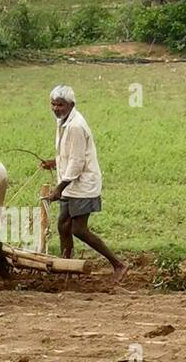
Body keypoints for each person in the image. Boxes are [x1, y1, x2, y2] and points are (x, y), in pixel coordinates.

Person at [40, 84, 126, 281]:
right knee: (63, 225)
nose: (55, 108)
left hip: (82, 184)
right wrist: (54, 163)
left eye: (60, 105)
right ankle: (67, 269)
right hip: (70, 183)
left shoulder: (76, 126)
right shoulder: (63, 121)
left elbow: (77, 163)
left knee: (78, 229)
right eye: (53, 104)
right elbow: (70, 155)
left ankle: (118, 264)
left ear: (71, 104)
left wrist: (58, 190)